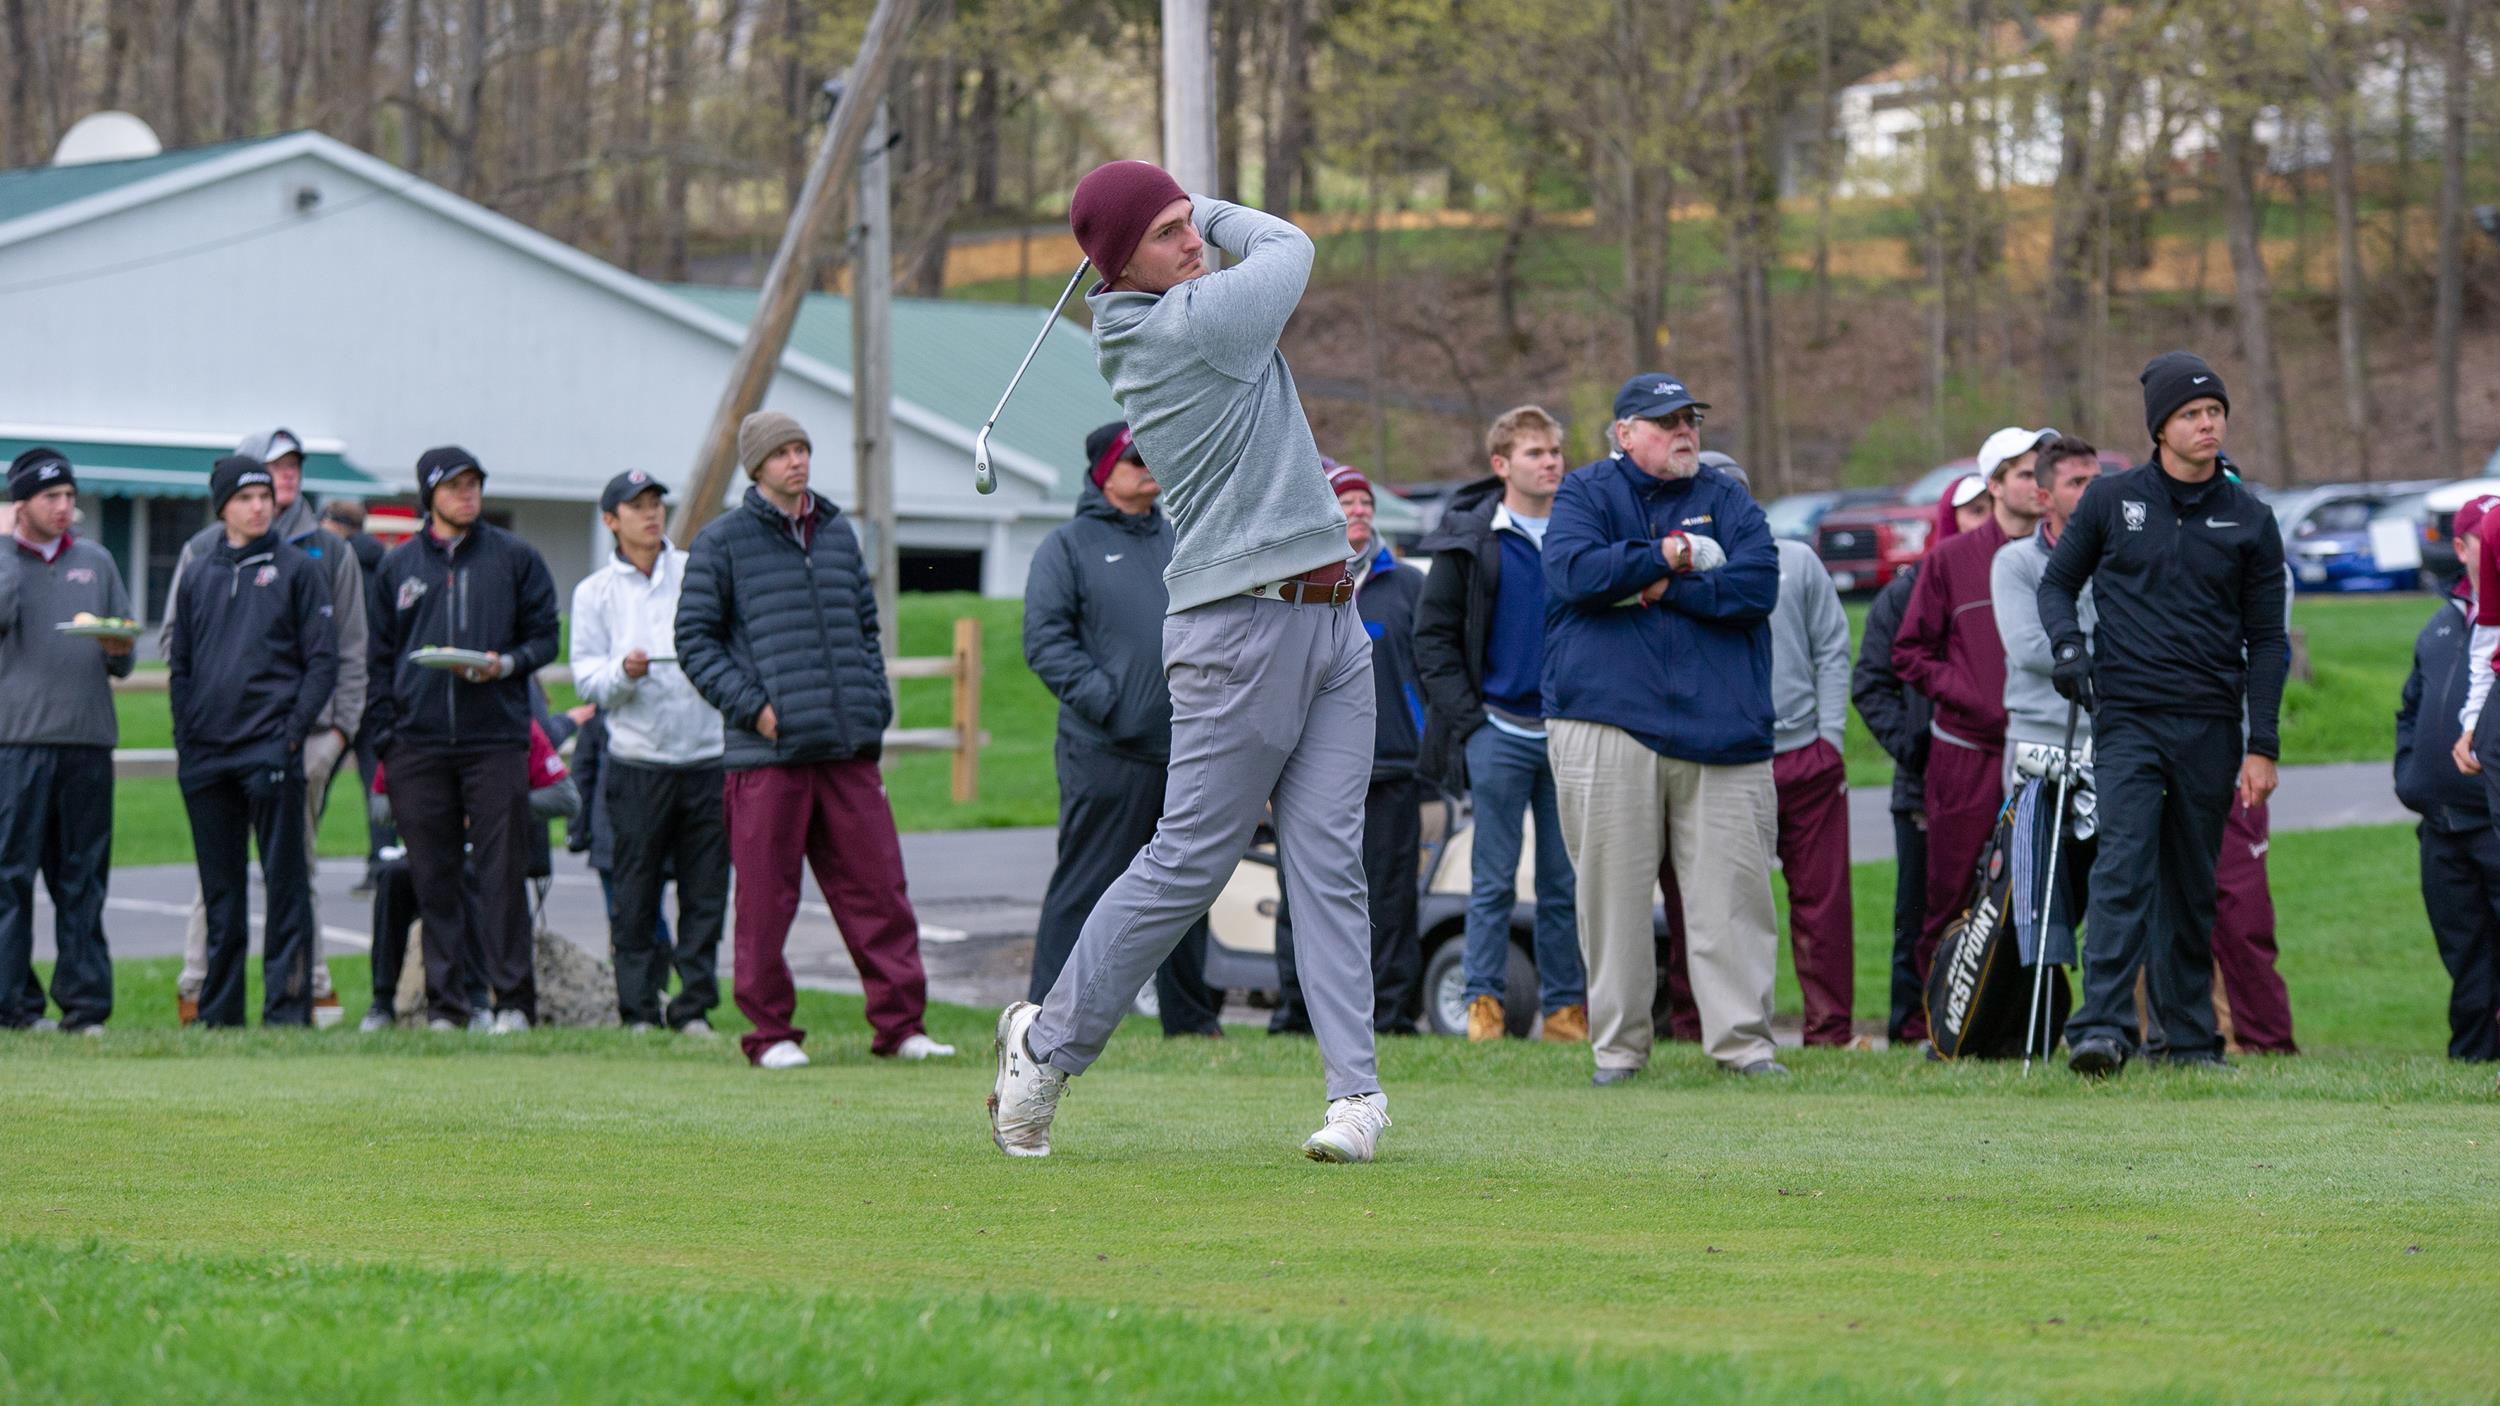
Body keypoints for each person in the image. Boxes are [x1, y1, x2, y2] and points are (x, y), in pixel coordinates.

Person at [989, 161, 1386, 1163]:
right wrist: (1201, 199)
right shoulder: (1186, 325)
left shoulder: (1178, 301)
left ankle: (1355, 1095)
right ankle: (1044, 1044)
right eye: (1166, 234)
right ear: (1119, 266)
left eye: (1189, 225)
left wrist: (1158, 208)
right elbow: (1291, 245)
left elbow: (1231, 251)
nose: (1192, 241)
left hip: (1334, 623)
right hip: (1237, 633)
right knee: (1187, 863)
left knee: (1327, 866)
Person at [677, 412, 954, 1070]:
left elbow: (864, 625)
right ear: (756, 467)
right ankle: (770, 1035)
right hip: (768, 754)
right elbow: (694, 642)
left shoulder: (836, 533)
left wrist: (873, 704)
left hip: (847, 748)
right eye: (782, 453)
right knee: (766, 902)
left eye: (802, 449)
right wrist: (756, 710)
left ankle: (901, 1027)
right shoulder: (721, 543)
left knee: (880, 891)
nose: (797, 461)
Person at [2039, 352, 2290, 1076]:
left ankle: (2186, 1040)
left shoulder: (2249, 519)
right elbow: (2058, 586)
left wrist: (2261, 743)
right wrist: (2067, 649)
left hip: (2210, 723)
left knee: (2189, 880)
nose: (2208, 423)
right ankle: (2102, 1029)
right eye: (2191, 414)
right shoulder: (2113, 501)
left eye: (2215, 412)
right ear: (2161, 429)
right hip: (2128, 716)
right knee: (2122, 867)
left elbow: (2267, 640)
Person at [1542, 374, 1783, 1084]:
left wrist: (1652, 585)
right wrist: (1668, 555)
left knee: (1732, 899)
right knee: (1612, 899)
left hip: (1723, 730)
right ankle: (1618, 1051)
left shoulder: (1727, 497)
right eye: (1666, 420)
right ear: (1624, 432)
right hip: (1608, 722)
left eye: (1691, 419)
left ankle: (1744, 1047)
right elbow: (1576, 575)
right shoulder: (1587, 494)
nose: (1686, 432)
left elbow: (1756, 587)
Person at [1021, 423, 1225, 1038]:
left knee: (1189, 889)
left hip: (1186, 746)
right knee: (1085, 884)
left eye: (1153, 456)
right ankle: (1042, 1019)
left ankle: (1191, 1021)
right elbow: (1045, 642)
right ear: (1103, 473)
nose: (1147, 467)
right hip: (1104, 749)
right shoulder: (1068, 546)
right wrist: (1110, 703)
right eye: (1134, 459)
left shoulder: (1182, 537)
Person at [162, 428, 368, 1026]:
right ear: (222, 505)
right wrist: (185, 738)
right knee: (221, 894)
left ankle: (286, 1009)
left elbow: (325, 659)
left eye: (265, 496)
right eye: (246, 497)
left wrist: (295, 731)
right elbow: (180, 662)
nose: (261, 505)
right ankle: (220, 1015)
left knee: (286, 889)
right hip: (207, 758)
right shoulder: (200, 570)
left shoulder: (299, 569)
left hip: (273, 751)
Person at [1657, 454, 1853, 1048]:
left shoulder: (1794, 561)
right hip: (1709, 761)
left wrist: (1830, 740)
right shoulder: (1677, 576)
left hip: (1800, 754)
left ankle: (1830, 1033)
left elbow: (1833, 649)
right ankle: (1698, 1031)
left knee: (1822, 904)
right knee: (1703, 905)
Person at [366, 446, 562, 1035]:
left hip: (495, 740)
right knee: (434, 876)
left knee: (502, 875)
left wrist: (505, 666)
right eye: (454, 486)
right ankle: (448, 1007)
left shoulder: (515, 558)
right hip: (417, 745)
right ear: (430, 496)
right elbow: (377, 660)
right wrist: (386, 737)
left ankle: (513, 1004)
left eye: (474, 484)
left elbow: (546, 640)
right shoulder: (398, 569)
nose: (467, 495)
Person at [1411, 405, 1586, 1044]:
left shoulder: (1579, 534)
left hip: (1568, 734)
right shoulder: (1472, 540)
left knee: (1563, 882)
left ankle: (1567, 1012)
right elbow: (1431, 640)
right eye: (1536, 454)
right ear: (1501, 465)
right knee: (1491, 877)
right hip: (1498, 733)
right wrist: (1472, 722)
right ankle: (1485, 1006)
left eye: (1555, 453)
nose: (1551, 464)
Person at [1891, 427, 2051, 1027]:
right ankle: (1933, 1027)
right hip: (1966, 754)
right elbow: (1909, 652)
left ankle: (2023, 1026)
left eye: (2043, 472)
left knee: (2036, 895)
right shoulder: (1950, 561)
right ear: (1995, 484)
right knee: (1951, 893)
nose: (2037, 485)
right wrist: (1971, 698)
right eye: (2023, 473)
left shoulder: (2058, 558)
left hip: (2039, 753)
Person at [1270, 460, 1428, 1037]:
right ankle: (1294, 1017)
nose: (1359, 511)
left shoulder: (1406, 584)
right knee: (1305, 893)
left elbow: (1432, 670)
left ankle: (1390, 1015)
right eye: (1347, 502)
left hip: (1392, 766)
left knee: (1389, 897)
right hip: (1309, 767)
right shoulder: (1299, 583)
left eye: (1366, 503)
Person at [570, 470, 729, 1037]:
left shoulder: (695, 571)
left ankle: (693, 1008)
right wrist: (623, 673)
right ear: (611, 519)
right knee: (634, 895)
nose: (650, 513)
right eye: (635, 506)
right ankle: (638, 1009)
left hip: (707, 757)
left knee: (705, 893)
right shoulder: (595, 593)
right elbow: (586, 678)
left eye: (656, 503)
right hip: (636, 763)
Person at [0, 447, 133, 1033]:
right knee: (9, 877)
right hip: (15, 744)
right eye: (50, 497)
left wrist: (118, 648)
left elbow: (123, 658)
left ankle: (85, 1005)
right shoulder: (3, 561)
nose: (64, 508)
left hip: (87, 744)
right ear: (20, 503)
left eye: (70, 497)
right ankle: (12, 1005)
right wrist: (6, 548)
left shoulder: (97, 561)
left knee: (82, 878)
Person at [1852, 478, 1988, 1043]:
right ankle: (1916, 1025)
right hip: (1926, 785)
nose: (1985, 519)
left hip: (2000, 774)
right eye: (1973, 510)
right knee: (1924, 910)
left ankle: (1991, 1025)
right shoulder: (1908, 592)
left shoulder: (2016, 579)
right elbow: (1871, 683)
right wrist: (1914, 748)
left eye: (1990, 508)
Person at [2399, 494, 2500, 1061]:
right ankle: (2470, 1054)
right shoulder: (2440, 625)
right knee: (2462, 950)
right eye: (2483, 541)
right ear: (2461, 549)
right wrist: (2408, 776)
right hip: (2440, 822)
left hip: (2491, 816)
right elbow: (2410, 710)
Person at [324, 498, 397, 896]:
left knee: (316, 777)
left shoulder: (337, 565)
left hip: (343, 689)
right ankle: (381, 861)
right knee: (375, 782)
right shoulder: (385, 564)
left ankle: (289, 859)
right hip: (377, 689)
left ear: (336, 525)